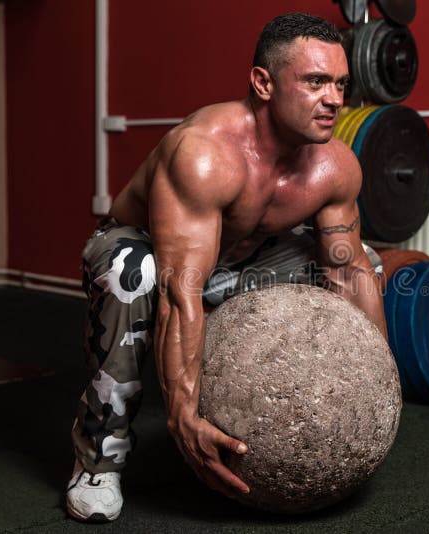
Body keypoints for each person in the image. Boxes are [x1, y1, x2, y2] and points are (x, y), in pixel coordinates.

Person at [65, 12, 387, 522]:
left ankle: (293, 407)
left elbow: (350, 276)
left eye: (341, 84)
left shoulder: (335, 166)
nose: (334, 99)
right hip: (150, 252)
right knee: (134, 274)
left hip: (242, 259)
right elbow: (181, 292)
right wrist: (182, 418)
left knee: (363, 261)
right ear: (263, 83)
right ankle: (99, 457)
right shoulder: (203, 154)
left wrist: (380, 385)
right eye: (315, 81)